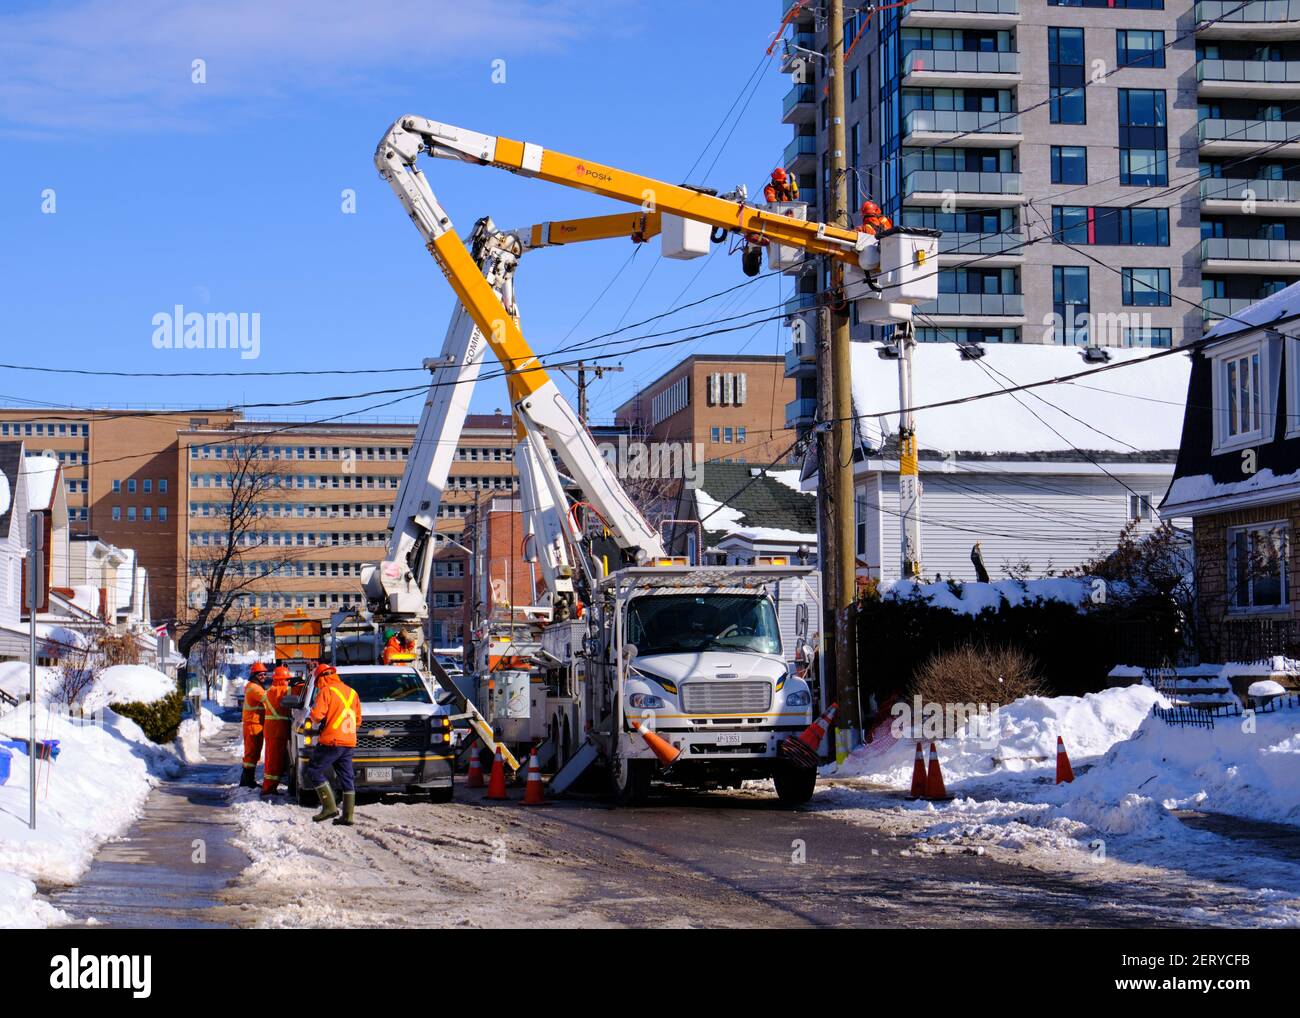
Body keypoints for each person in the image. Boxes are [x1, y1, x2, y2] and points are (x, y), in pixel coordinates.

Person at [301, 663, 361, 825]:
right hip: (349, 741)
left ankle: (329, 807)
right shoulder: (352, 692)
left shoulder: (326, 691)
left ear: (321, 678)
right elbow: (358, 721)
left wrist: (314, 716)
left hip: (331, 741)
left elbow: (316, 716)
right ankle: (348, 816)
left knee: (314, 771)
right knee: (347, 777)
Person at [260, 665, 293, 798]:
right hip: (278, 730)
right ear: (282, 679)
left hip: (271, 730)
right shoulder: (287, 690)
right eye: (287, 679)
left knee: (271, 759)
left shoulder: (269, 691)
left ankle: (270, 786)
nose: (288, 681)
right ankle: (268, 788)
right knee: (275, 761)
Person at [239, 662, 269, 788]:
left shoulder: (255, 686)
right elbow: (268, 699)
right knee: (251, 754)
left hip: (255, 724)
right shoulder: (255, 688)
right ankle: (246, 781)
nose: (263, 676)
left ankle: (248, 780)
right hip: (253, 724)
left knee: (254, 753)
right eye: (260, 674)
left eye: (264, 674)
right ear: (254, 675)